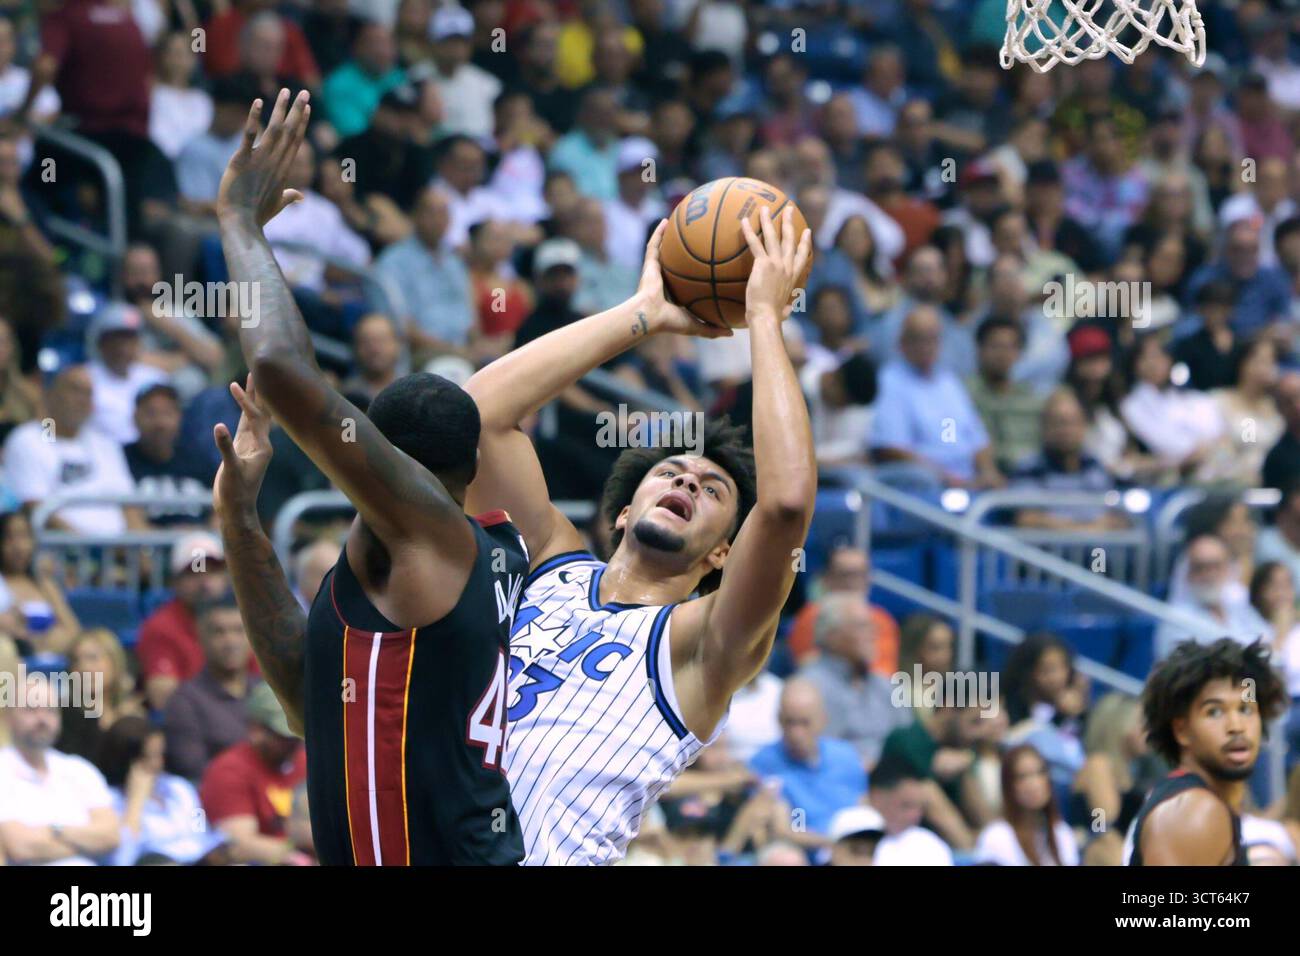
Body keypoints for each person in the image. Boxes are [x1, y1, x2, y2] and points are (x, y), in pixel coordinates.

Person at [214, 89, 526, 865]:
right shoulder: (472, 555)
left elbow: (282, 369)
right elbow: (301, 696)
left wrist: (239, 223)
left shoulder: (431, 535)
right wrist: (242, 522)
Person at [1126, 639, 1287, 865]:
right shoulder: (1195, 811)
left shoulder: (1203, 801)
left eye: (1245, 709)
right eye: (1214, 712)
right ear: (1181, 730)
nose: (1237, 726)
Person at [869, 305, 1003, 489]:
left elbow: (978, 440)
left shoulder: (949, 382)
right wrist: (947, 478)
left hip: (969, 483)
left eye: (932, 338)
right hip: (925, 487)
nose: (926, 346)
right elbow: (891, 449)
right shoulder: (891, 381)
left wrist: (989, 473)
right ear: (902, 342)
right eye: (919, 339)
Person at [1, 365, 144, 536]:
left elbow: (129, 506)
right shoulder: (29, 438)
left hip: (119, 553)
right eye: (75, 390)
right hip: (64, 555)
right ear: (50, 395)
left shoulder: (104, 443)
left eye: (88, 393)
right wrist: (94, 549)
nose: (82, 400)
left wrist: (141, 550)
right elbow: (35, 508)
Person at [0, 673, 120, 865]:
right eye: (30, 709)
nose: (42, 719)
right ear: (7, 717)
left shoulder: (79, 769)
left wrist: (55, 830)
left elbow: (111, 836)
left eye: (50, 710)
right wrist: (87, 845)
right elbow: (21, 847)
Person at [199, 683, 309, 865]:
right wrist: (300, 857)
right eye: (283, 736)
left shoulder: (304, 761)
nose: (293, 742)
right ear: (256, 730)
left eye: (295, 734)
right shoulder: (229, 770)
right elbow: (238, 843)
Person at [749, 679, 868, 849]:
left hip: (856, 850)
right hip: (803, 854)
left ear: (823, 720)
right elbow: (782, 830)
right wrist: (835, 845)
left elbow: (864, 806)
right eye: (790, 722)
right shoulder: (763, 764)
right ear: (778, 719)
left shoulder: (846, 756)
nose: (796, 733)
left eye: (805, 723)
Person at [797, 593, 911, 768]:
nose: (874, 634)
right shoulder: (810, 688)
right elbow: (815, 755)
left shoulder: (884, 684)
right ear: (832, 637)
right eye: (862, 627)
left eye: (874, 626)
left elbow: (908, 739)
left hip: (893, 780)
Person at [98, 716, 226, 866]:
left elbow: (201, 833)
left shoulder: (180, 787)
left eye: (160, 754)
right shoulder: (109, 801)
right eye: (149, 757)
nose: (159, 763)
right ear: (126, 761)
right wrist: (135, 803)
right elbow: (121, 860)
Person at [162, 595, 255, 781]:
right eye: (219, 632)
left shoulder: (268, 692)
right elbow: (193, 773)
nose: (231, 641)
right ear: (200, 638)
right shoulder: (184, 701)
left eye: (239, 631)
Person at [135, 531, 231, 710]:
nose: (205, 583)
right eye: (195, 572)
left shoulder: (240, 622)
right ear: (175, 581)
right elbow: (163, 698)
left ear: (226, 576)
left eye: (213, 572)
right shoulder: (161, 627)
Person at [1010, 388, 1125, 532]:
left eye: (1072, 422)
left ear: (1084, 426)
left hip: (1097, 554)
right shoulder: (1030, 469)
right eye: (1059, 422)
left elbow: (1117, 518)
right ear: (1044, 426)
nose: (1066, 430)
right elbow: (1027, 519)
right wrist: (1088, 530)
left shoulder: (1096, 467)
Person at [785, 545, 899, 673]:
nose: (853, 582)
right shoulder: (811, 616)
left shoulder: (882, 619)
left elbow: (884, 673)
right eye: (845, 575)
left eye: (860, 574)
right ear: (827, 579)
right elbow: (809, 668)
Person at [1071, 692, 1155, 866]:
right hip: (1093, 848)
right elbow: (1101, 823)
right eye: (1142, 724)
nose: (1149, 732)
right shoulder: (1098, 764)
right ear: (1120, 726)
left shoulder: (1132, 772)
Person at [974, 744, 1079, 866]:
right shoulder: (996, 836)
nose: (1034, 784)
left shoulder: (1061, 832)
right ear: (1008, 785)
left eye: (1040, 773)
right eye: (1023, 776)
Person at [56, 628, 143, 763]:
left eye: (93, 658)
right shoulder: (64, 714)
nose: (84, 667)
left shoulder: (132, 714)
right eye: (76, 661)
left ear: (115, 663)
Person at [0, 510, 80, 656]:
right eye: (9, 538)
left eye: (24, 536)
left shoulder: (44, 585)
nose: (18, 547)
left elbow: (73, 633)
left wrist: (32, 641)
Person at [869, 755, 955, 866]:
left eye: (920, 807)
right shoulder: (848, 838)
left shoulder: (928, 846)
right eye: (906, 805)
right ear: (877, 798)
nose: (915, 815)